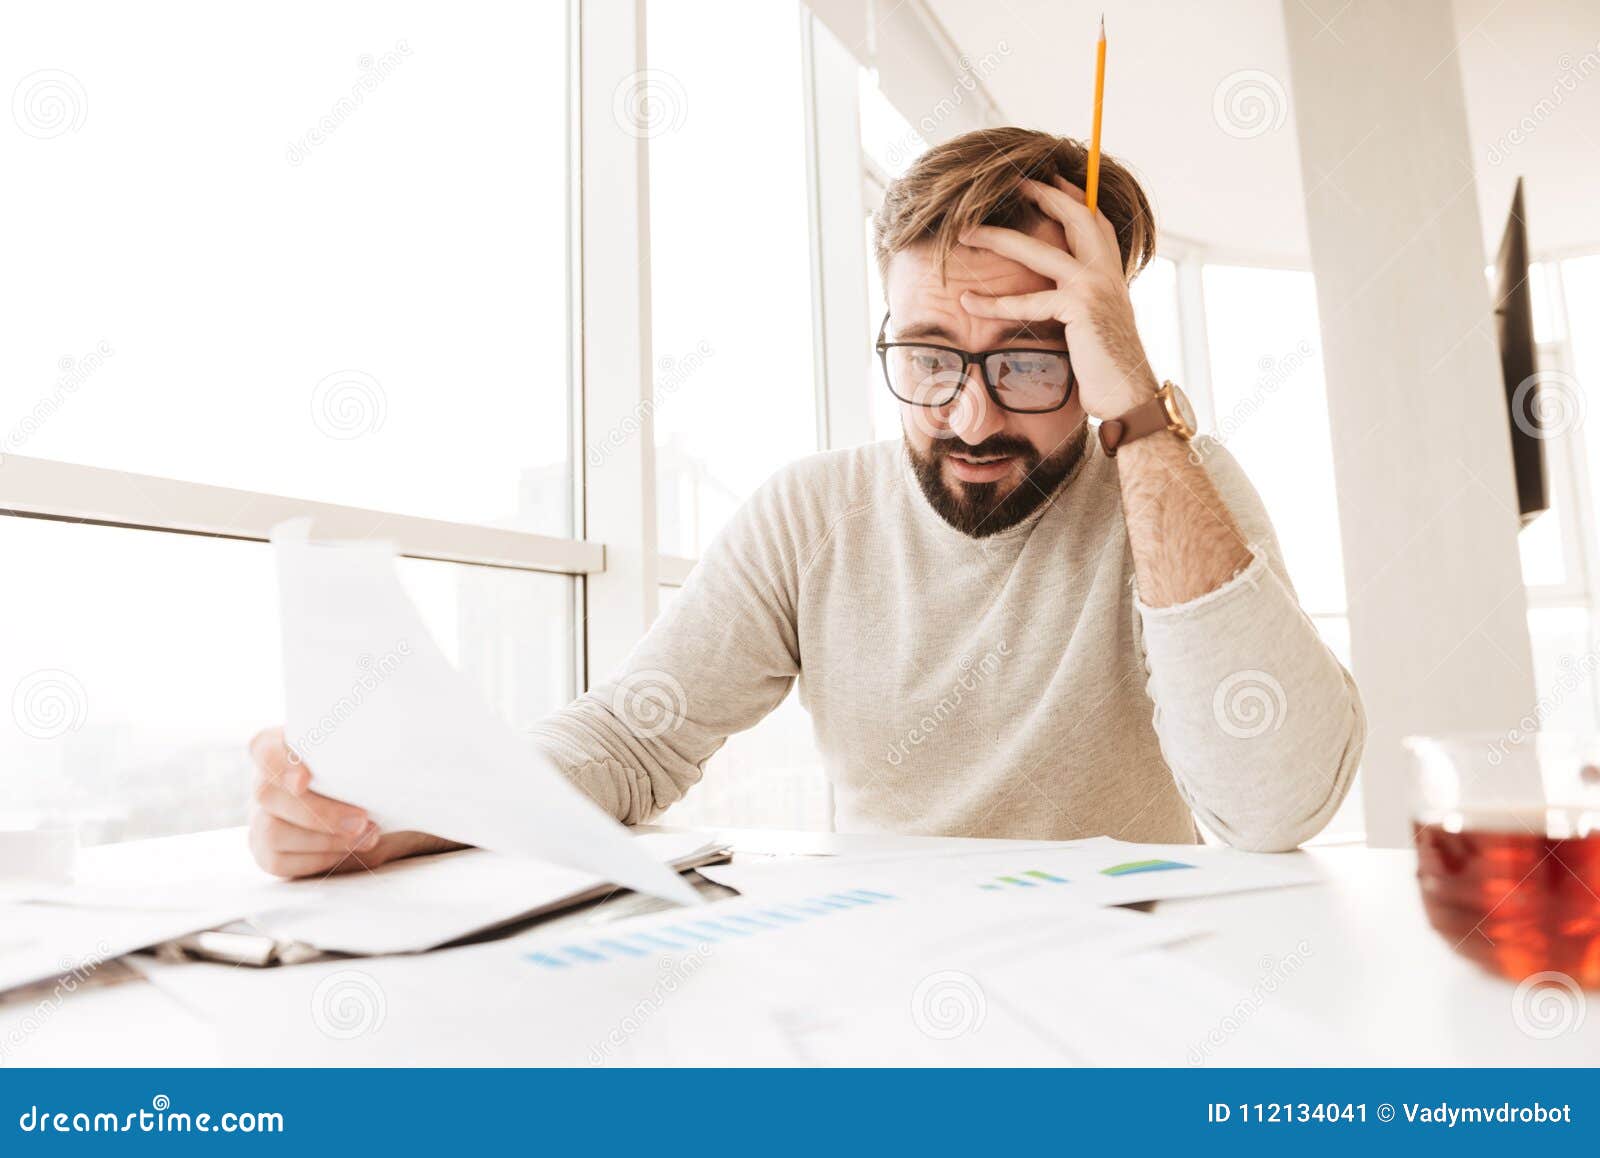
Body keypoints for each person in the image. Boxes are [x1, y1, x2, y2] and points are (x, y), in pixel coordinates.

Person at [247, 126, 1364, 879]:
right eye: (929, 357)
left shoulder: (1172, 492)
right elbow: (631, 744)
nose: (969, 419)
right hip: (883, 980)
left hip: (1128, 988)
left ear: (1104, 344)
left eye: (1031, 362)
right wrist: (403, 817)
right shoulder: (814, 512)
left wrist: (1139, 416)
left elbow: (1275, 810)